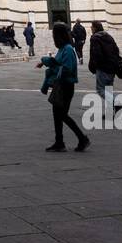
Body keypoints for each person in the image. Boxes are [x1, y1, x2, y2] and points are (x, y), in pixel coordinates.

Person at [39, 24, 89, 152]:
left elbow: (67, 68)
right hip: (61, 85)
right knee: (57, 114)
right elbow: (57, 62)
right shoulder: (62, 49)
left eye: (54, 35)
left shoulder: (67, 49)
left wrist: (54, 70)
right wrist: (45, 62)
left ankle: (82, 138)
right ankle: (59, 142)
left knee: (62, 115)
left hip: (65, 85)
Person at [87, 21, 120, 103]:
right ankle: (110, 115)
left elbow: (96, 54)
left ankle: (116, 103)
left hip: (103, 68)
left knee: (100, 89)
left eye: (92, 26)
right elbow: (116, 50)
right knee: (108, 91)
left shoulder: (95, 38)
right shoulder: (109, 36)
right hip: (112, 67)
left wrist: (93, 66)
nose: (91, 28)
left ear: (95, 28)